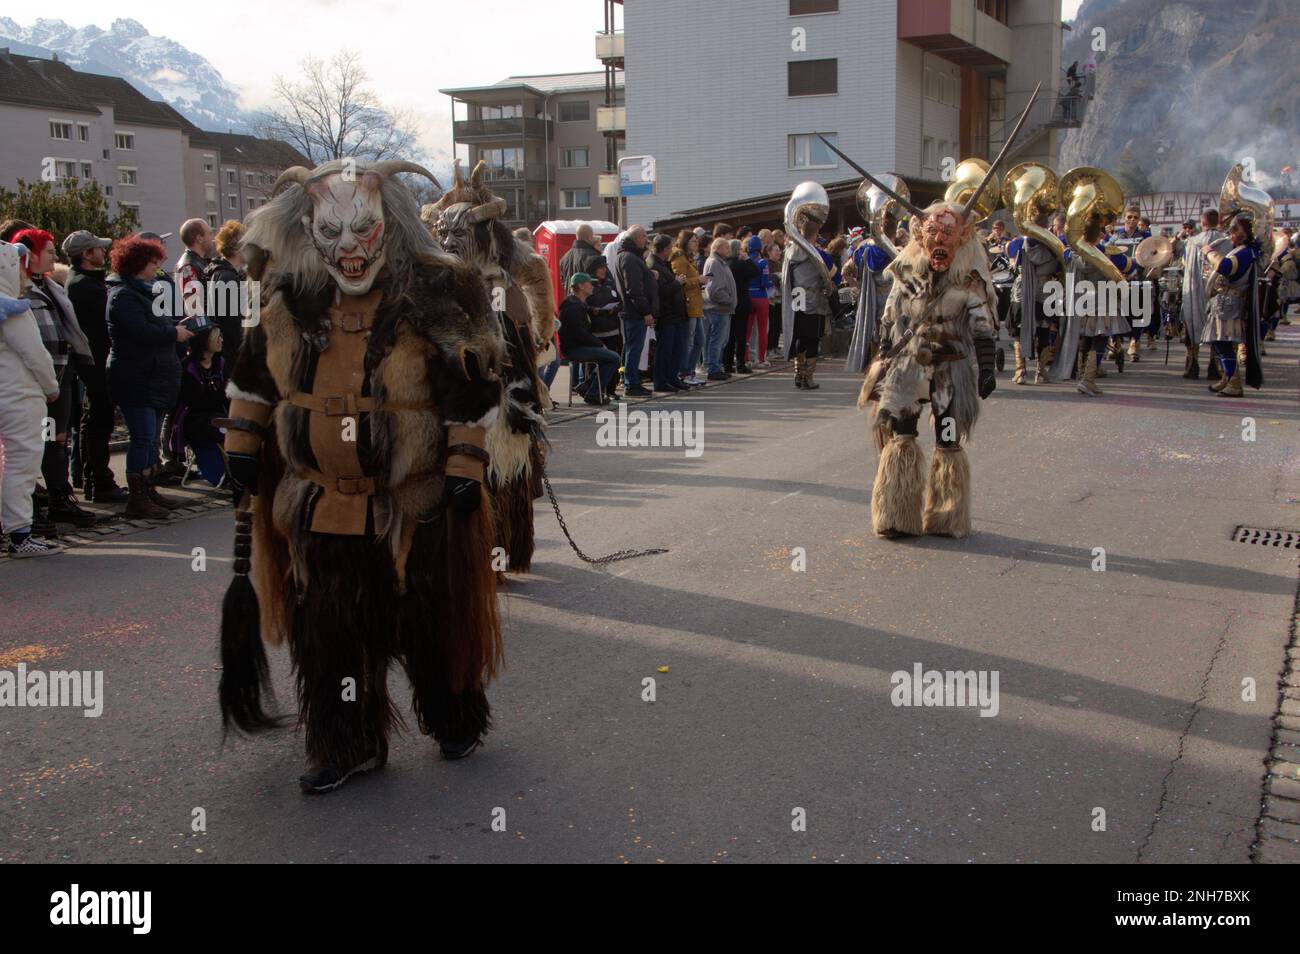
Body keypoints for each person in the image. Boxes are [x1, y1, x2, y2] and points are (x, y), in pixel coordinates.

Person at [218, 158, 506, 793]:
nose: (349, 248)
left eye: (362, 229)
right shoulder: (287, 303)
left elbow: (473, 387)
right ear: (308, 231)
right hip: (320, 511)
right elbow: (254, 377)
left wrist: (463, 460)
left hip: (413, 506)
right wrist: (241, 438)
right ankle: (346, 743)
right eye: (331, 233)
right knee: (330, 639)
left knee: (430, 626)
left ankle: (454, 715)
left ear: (391, 225)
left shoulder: (433, 296)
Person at [425, 160, 556, 576]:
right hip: (454, 377)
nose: (447, 240)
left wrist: (540, 330)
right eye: (443, 232)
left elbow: (536, 274)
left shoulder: (505, 261)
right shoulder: (437, 270)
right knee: (460, 460)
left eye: (457, 232)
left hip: (506, 373)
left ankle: (502, 552)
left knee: (504, 459)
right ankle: (467, 557)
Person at [862, 198, 998, 539]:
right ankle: (895, 514)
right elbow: (889, 319)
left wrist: (986, 368)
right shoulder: (905, 274)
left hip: (950, 374)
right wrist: (881, 357)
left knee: (948, 440)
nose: (939, 241)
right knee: (902, 436)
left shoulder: (970, 282)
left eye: (947, 234)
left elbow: (983, 328)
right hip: (909, 369)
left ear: (961, 239)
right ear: (921, 237)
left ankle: (947, 516)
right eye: (933, 232)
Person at [14, 229, 98, 529]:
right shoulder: (17, 287)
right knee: (30, 444)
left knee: (57, 440)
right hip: (33, 381)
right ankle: (29, 511)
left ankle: (59, 499)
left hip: (61, 374)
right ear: (31, 254)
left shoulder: (51, 285)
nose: (54, 256)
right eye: (48, 251)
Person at [106, 235, 192, 518]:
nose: (157, 267)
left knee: (151, 438)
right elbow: (141, 332)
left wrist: (178, 329)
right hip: (137, 376)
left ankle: (148, 488)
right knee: (142, 437)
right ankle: (137, 497)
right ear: (138, 263)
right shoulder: (123, 296)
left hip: (154, 375)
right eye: (153, 262)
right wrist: (173, 332)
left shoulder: (146, 292)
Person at [0, 241, 63, 556]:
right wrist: (52, 387)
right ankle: (19, 534)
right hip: (19, 395)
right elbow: (36, 356)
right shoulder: (13, 309)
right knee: (21, 464)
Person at [62, 229, 128, 503]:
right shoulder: (83, 286)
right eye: (98, 249)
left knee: (96, 421)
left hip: (94, 361)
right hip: (95, 362)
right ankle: (97, 480)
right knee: (97, 422)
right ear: (86, 255)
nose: (103, 252)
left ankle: (92, 477)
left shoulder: (83, 282)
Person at [1202, 211, 1261, 398]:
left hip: (1230, 303)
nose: (1231, 232)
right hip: (1225, 302)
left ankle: (1234, 382)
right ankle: (1228, 377)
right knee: (1219, 342)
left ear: (1246, 232)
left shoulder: (1246, 252)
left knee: (1224, 342)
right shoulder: (1243, 250)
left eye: (1235, 229)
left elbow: (1225, 267)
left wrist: (1209, 252)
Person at [781, 184, 833, 390]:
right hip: (812, 300)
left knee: (800, 337)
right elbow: (829, 276)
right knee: (811, 339)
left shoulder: (790, 251)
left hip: (797, 297)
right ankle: (807, 376)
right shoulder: (814, 253)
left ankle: (799, 373)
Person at [168, 325, 228, 486]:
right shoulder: (188, 367)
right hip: (195, 421)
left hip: (217, 416)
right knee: (219, 429)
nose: (220, 340)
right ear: (204, 341)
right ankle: (221, 474)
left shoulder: (220, 363)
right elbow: (192, 402)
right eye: (216, 337)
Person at [558, 272, 620, 404]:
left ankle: (586, 387)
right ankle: (592, 393)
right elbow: (580, 333)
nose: (592, 286)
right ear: (580, 286)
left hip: (578, 345)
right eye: (589, 283)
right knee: (614, 358)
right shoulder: (573, 307)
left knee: (608, 357)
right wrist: (599, 344)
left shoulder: (577, 304)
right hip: (574, 349)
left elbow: (583, 323)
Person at [1180, 209, 1224, 379]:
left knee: (1191, 322)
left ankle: (1192, 365)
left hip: (1194, 290)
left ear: (1202, 223)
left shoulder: (1192, 241)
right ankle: (1215, 366)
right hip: (1218, 291)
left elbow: (1185, 265)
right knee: (1217, 326)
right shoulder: (1226, 241)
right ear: (1218, 222)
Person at [613, 225, 656, 396]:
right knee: (634, 347)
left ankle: (630, 379)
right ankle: (631, 383)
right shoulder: (629, 258)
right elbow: (634, 289)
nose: (646, 240)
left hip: (632, 311)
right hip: (634, 312)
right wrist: (646, 311)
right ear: (636, 237)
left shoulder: (628, 256)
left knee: (632, 347)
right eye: (644, 236)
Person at [204, 220, 246, 371]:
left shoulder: (224, 273)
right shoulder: (227, 278)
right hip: (231, 358)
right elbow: (232, 326)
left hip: (228, 354)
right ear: (237, 248)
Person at [648, 234, 687, 393]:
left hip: (675, 313)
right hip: (666, 314)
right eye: (670, 247)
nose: (672, 250)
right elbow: (661, 291)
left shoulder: (664, 263)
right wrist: (677, 283)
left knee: (676, 348)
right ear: (664, 249)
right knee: (665, 350)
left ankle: (672, 377)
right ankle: (661, 380)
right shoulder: (653, 265)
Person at [670, 230, 707, 386]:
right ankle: (684, 372)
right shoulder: (679, 257)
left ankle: (690, 371)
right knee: (689, 341)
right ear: (685, 242)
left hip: (696, 305)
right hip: (689, 305)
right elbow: (680, 281)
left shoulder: (689, 258)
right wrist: (697, 280)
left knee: (700, 340)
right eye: (693, 241)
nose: (696, 243)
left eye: (697, 241)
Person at [701, 238, 736, 381]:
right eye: (726, 247)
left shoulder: (720, 263)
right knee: (717, 340)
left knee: (719, 340)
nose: (729, 250)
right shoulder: (715, 263)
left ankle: (715, 366)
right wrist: (729, 299)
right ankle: (713, 368)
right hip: (718, 308)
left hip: (722, 309)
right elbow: (714, 289)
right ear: (718, 249)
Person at [724, 238, 756, 374]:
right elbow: (755, 271)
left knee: (729, 336)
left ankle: (727, 363)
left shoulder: (726, 264)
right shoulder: (741, 264)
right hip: (741, 302)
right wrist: (747, 258)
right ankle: (741, 363)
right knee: (741, 336)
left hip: (729, 303)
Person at [175, 218, 215, 320]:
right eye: (209, 234)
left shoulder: (200, 262)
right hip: (204, 332)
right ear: (199, 238)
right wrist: (211, 331)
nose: (212, 237)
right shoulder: (187, 267)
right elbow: (193, 307)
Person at [745, 234, 772, 367]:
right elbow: (765, 283)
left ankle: (746, 359)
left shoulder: (745, 261)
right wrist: (773, 281)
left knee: (747, 330)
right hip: (761, 297)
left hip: (748, 296)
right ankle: (761, 359)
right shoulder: (763, 262)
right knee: (762, 330)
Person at [560, 223, 603, 290]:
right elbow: (599, 283)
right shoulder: (593, 257)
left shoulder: (564, 258)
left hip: (570, 298)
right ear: (589, 237)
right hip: (589, 299)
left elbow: (564, 283)